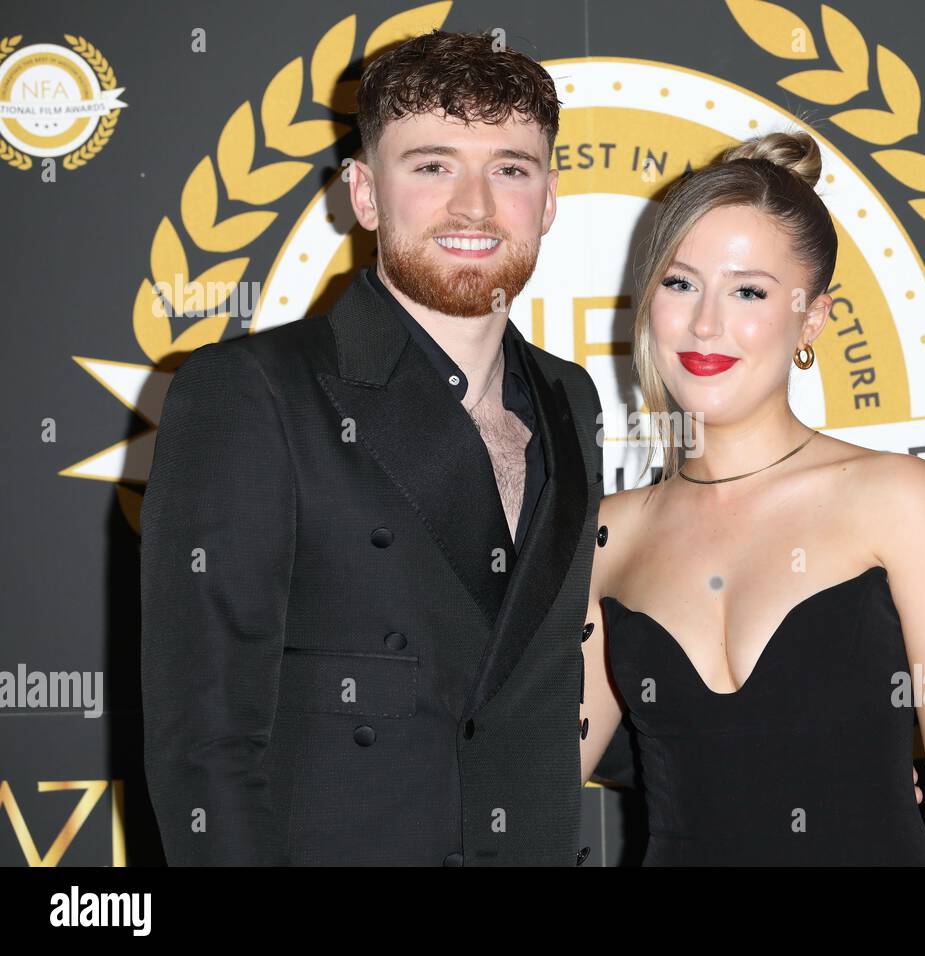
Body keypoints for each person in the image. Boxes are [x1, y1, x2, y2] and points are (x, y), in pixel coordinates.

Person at [139, 30, 606, 866]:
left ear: (550, 198)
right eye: (431, 166)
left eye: (510, 168)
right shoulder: (250, 393)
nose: (473, 206)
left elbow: (537, 682)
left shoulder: (571, 399)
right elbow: (204, 741)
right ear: (363, 193)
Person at [578, 131, 925, 865]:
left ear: (811, 319)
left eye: (748, 291)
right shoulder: (607, 536)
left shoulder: (895, 499)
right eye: (680, 283)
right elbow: (532, 773)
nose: (705, 322)